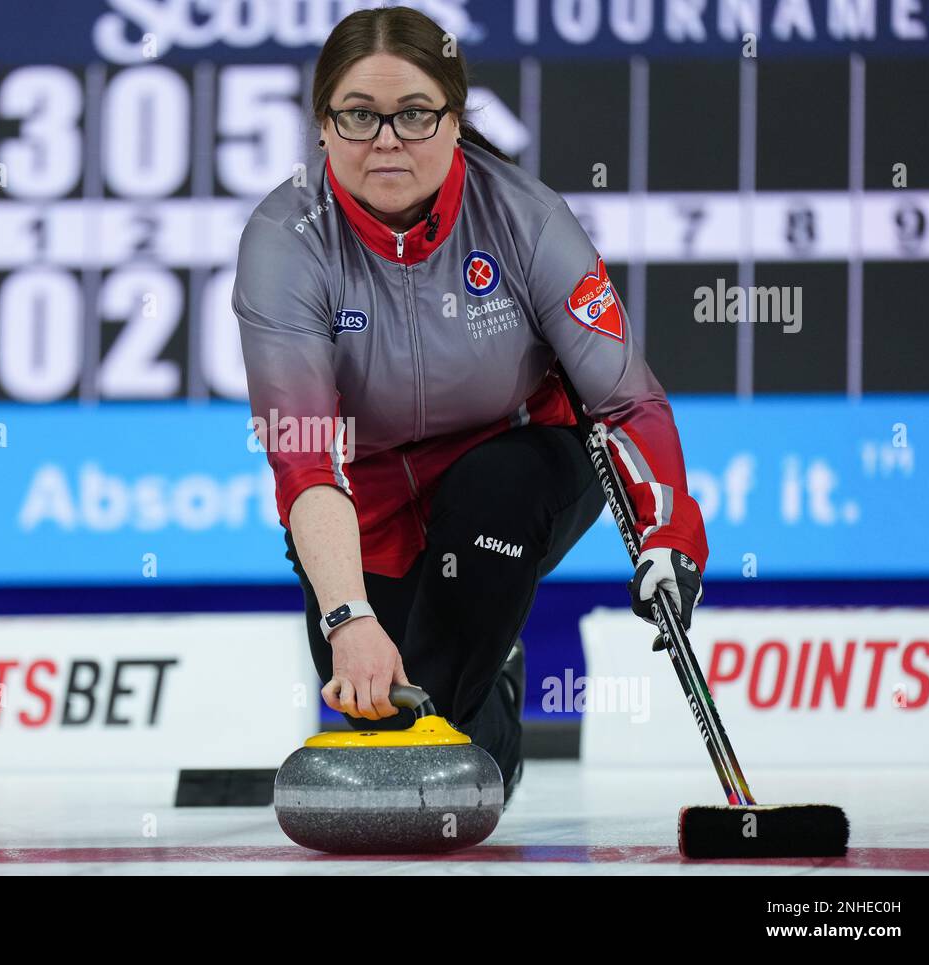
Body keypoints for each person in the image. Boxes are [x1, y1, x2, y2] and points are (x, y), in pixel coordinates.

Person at [232, 6, 707, 807]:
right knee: (392, 725)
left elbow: (625, 401)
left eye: (415, 114)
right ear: (322, 126)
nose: (387, 139)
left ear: (454, 120)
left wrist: (669, 532)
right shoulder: (286, 239)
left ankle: (470, 662)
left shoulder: (527, 218)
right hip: (373, 501)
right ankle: (495, 679)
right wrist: (348, 617)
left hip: (522, 466)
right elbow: (306, 458)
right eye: (358, 115)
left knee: (426, 753)